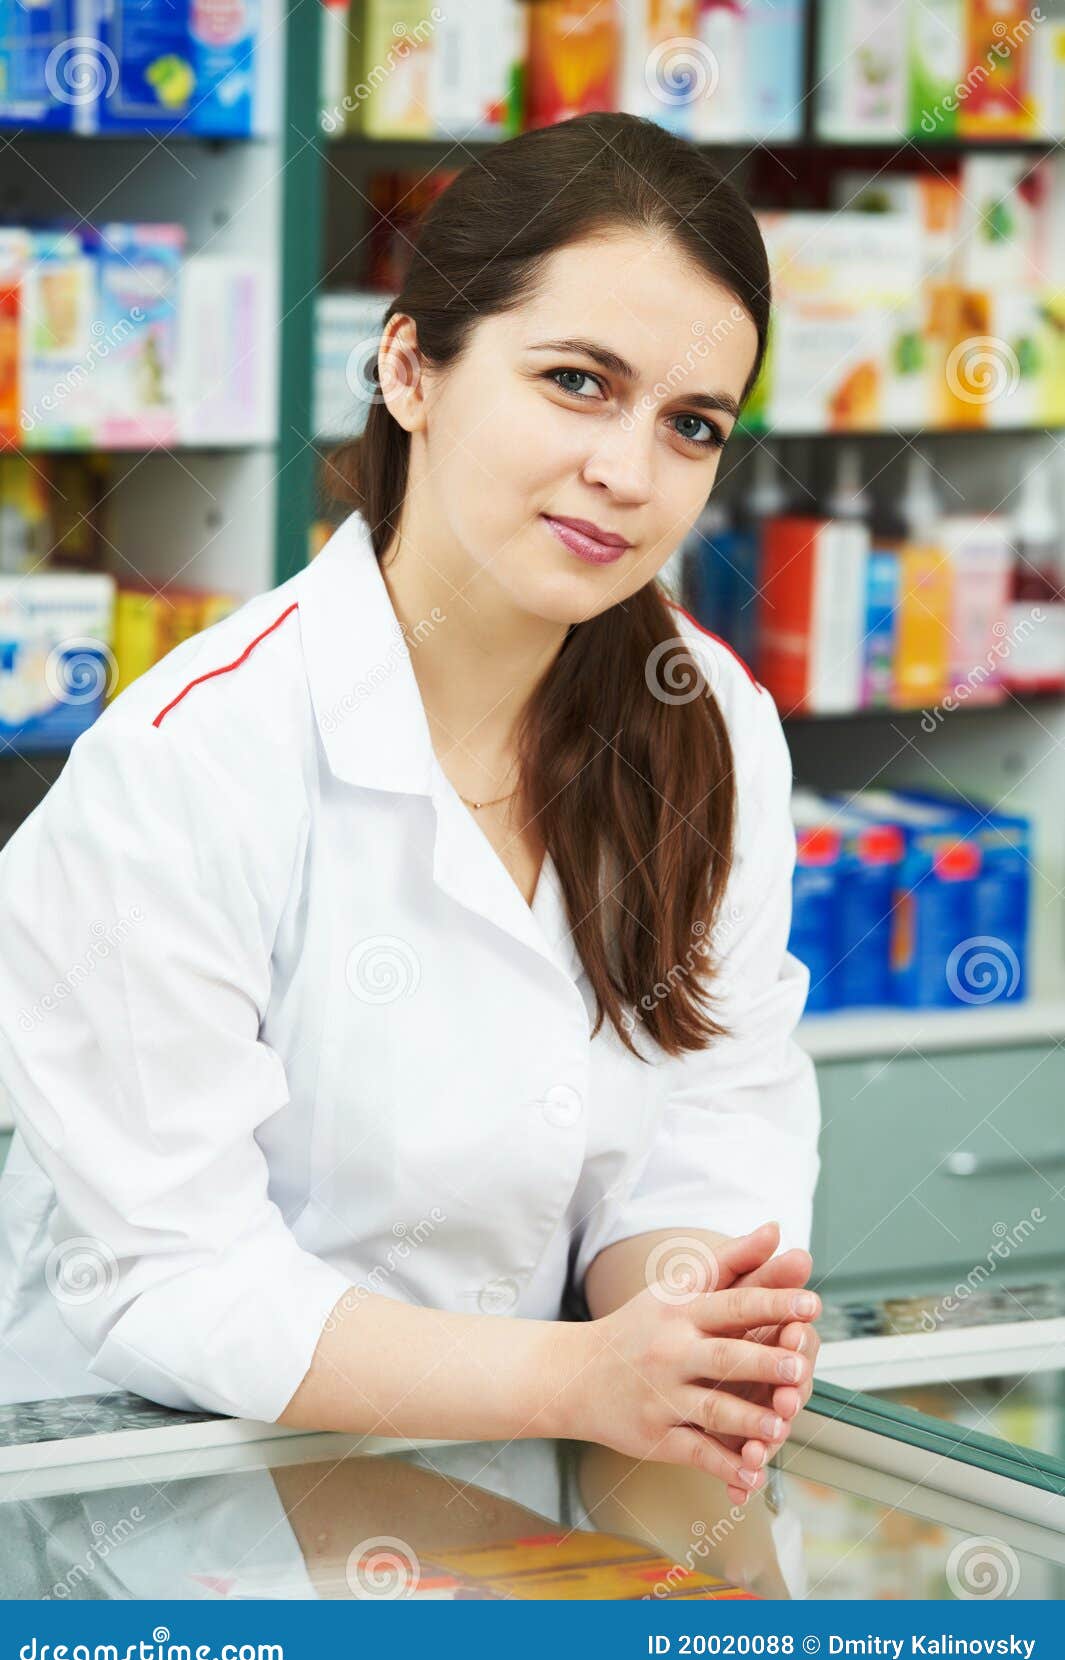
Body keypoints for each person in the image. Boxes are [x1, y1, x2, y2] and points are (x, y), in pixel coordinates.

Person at [0, 111, 821, 1509]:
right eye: (576, 382)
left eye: (690, 425)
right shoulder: (190, 760)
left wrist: (679, 1339)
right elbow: (177, 1278)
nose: (629, 474)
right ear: (408, 369)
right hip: (175, 1502)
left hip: (530, 1491)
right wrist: (578, 1377)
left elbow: (707, 1123)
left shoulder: (713, 726)